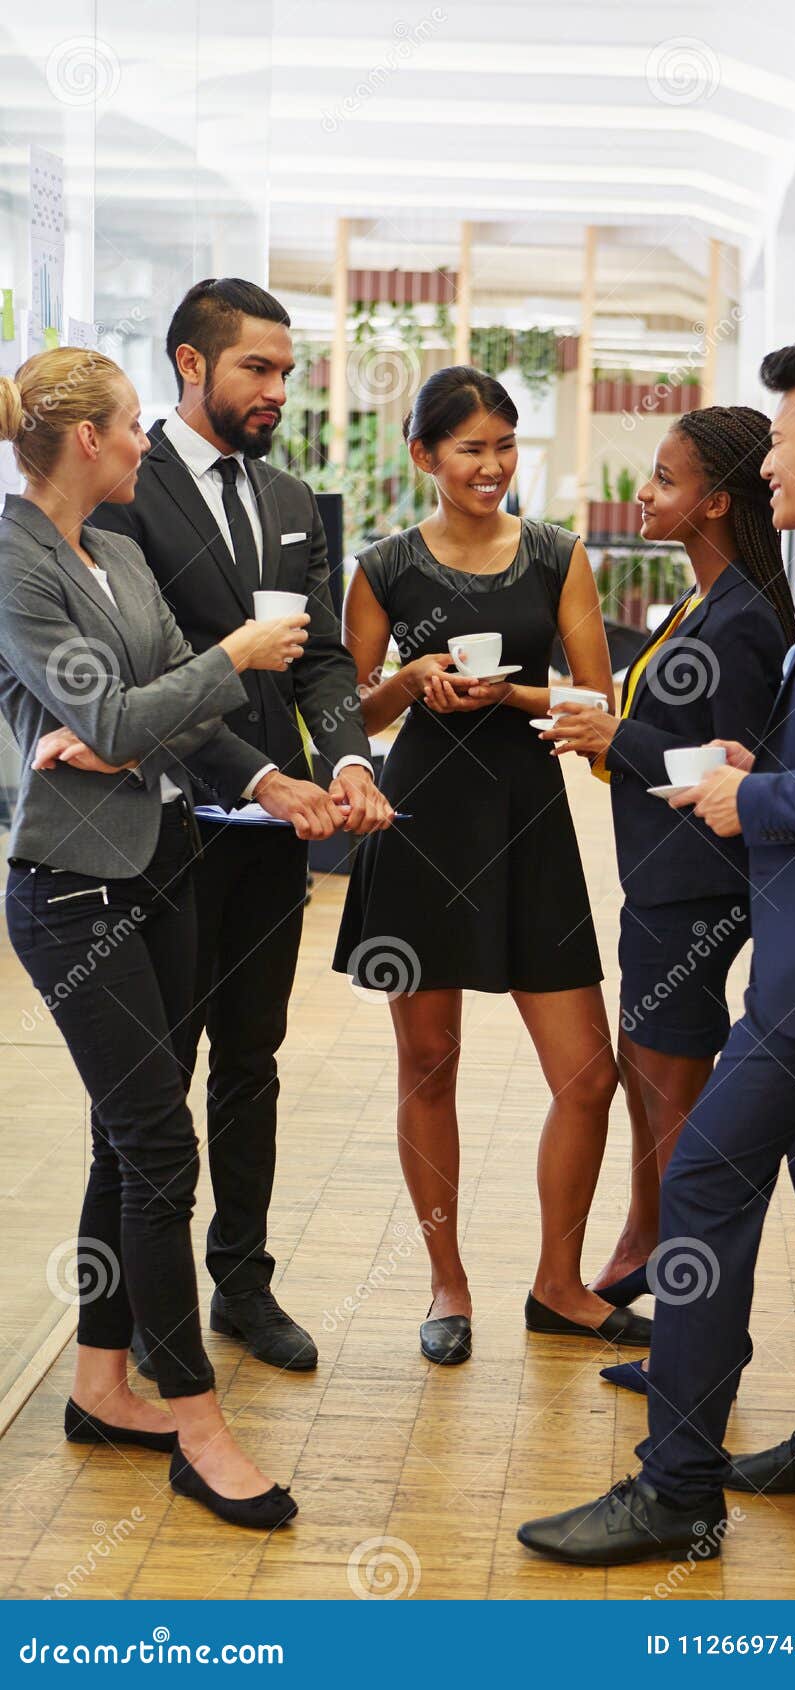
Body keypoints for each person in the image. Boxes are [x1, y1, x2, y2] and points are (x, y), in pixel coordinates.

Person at [517, 333, 795, 1565]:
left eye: (778, 440)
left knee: (708, 1174)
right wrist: (753, 767)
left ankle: (674, 1491)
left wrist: (750, 801)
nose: (765, 462)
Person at [0, 348, 312, 1527]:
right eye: (133, 424)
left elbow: (163, 718)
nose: (147, 441)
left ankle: (97, 1381)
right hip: (72, 890)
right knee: (160, 1149)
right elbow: (127, 709)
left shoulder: (119, 551)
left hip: (165, 863)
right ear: (85, 439)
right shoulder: (14, 562)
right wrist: (200, 678)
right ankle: (194, 1416)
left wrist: (270, 780)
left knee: (119, 1143)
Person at [89, 279, 394, 1380]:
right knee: (151, 1079)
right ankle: (120, 1313)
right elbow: (151, 675)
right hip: (162, 828)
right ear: (189, 364)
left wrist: (349, 755)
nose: (277, 388)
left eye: (285, 369)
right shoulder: (125, 486)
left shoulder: (290, 499)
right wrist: (260, 773)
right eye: (255, 368)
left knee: (251, 1061)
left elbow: (314, 655)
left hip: (274, 836)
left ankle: (243, 1282)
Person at [333, 365, 645, 1365]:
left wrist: (502, 695)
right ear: (424, 456)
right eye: (470, 448)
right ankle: (447, 1281)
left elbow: (595, 705)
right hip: (419, 823)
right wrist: (412, 682)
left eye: (505, 445)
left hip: (527, 824)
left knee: (587, 1075)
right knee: (428, 1064)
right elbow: (344, 711)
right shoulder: (383, 566)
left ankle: (557, 1283)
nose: (492, 466)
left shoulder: (557, 555)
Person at [544, 407, 793, 1396]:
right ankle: (644, 1255)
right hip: (661, 890)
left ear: (714, 503)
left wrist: (616, 737)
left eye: (661, 480)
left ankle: (694, 1337)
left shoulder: (740, 620)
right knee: (660, 1110)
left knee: (678, 1125)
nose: (642, 494)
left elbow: (733, 773)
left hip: (694, 897)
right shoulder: (703, 603)